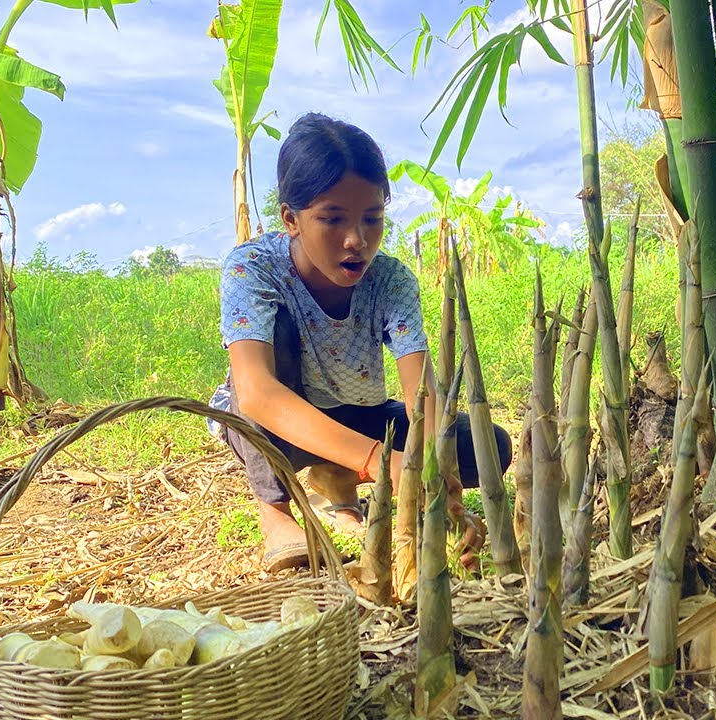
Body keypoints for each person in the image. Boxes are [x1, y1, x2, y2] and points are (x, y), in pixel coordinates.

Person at [209, 112, 513, 572]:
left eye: (373, 219)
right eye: (332, 219)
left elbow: (420, 392)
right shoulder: (252, 269)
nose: (357, 240)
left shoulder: (390, 280)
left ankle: (337, 473)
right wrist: (382, 462)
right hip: (277, 420)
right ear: (291, 219)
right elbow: (257, 393)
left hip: (361, 411)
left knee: (487, 447)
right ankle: (275, 512)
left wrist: (438, 477)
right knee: (264, 373)